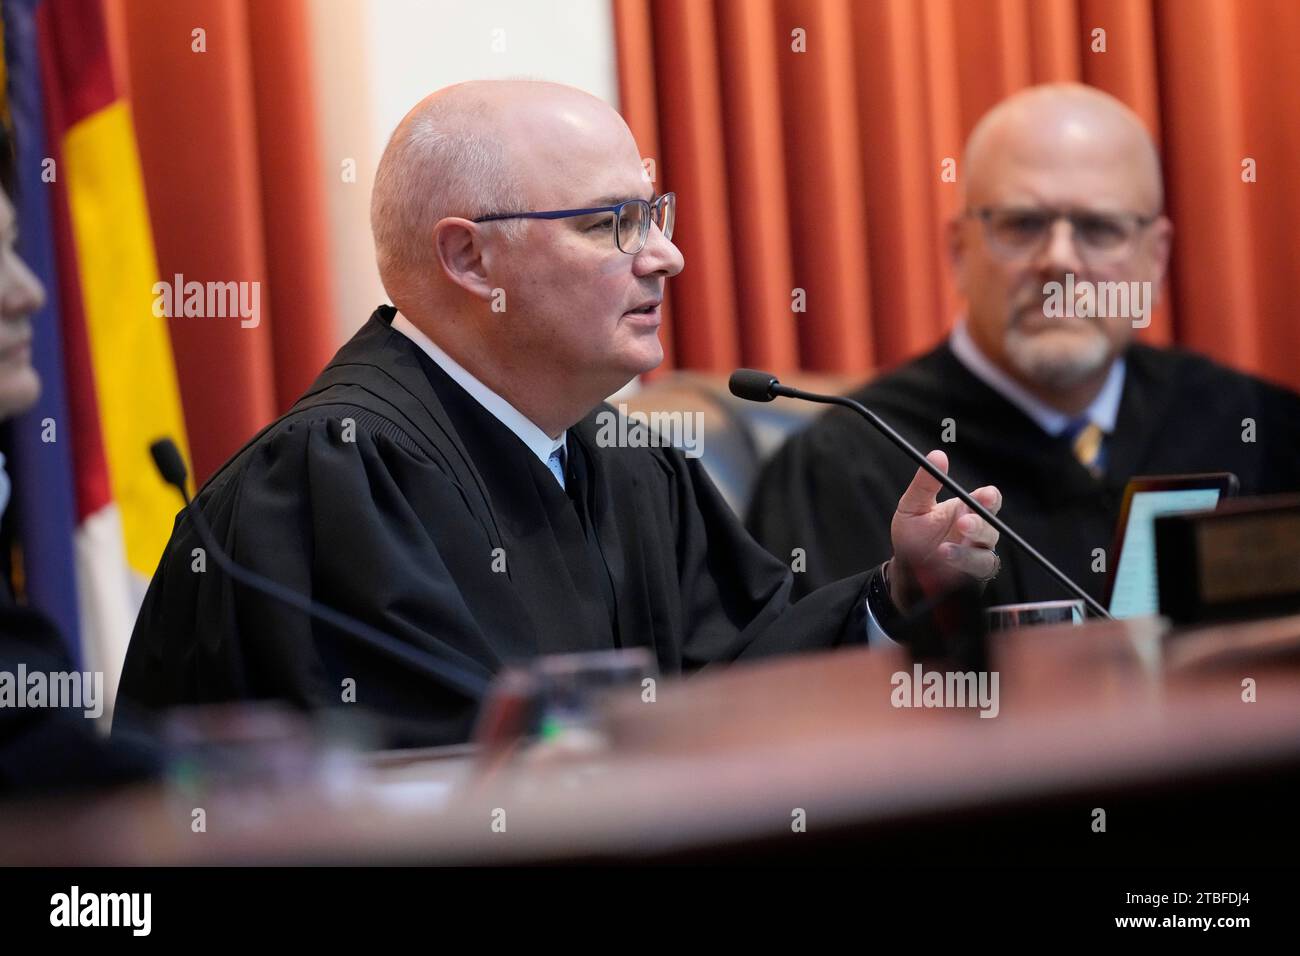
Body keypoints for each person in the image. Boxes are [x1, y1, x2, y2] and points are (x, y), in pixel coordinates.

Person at [117, 81, 1002, 747]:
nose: (669, 255)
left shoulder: (625, 460)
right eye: (611, 223)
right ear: (468, 259)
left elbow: (741, 678)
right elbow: (440, 777)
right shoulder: (335, 479)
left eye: (654, 213)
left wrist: (896, 595)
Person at [748, 83, 1300, 606]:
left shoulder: (1254, 426)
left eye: (1100, 227)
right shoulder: (847, 465)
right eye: (1023, 223)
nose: (1059, 259)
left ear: (1154, 260)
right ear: (960, 251)